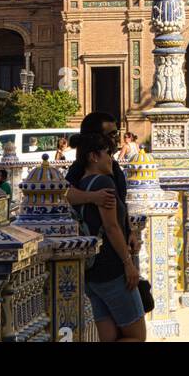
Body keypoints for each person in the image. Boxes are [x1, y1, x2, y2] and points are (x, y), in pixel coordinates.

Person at [71, 132, 146, 343]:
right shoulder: (103, 183)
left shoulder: (82, 183)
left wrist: (129, 230)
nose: (111, 159)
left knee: (110, 337)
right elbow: (112, 227)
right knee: (136, 336)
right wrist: (128, 263)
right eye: (107, 154)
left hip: (92, 272)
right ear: (93, 157)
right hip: (112, 268)